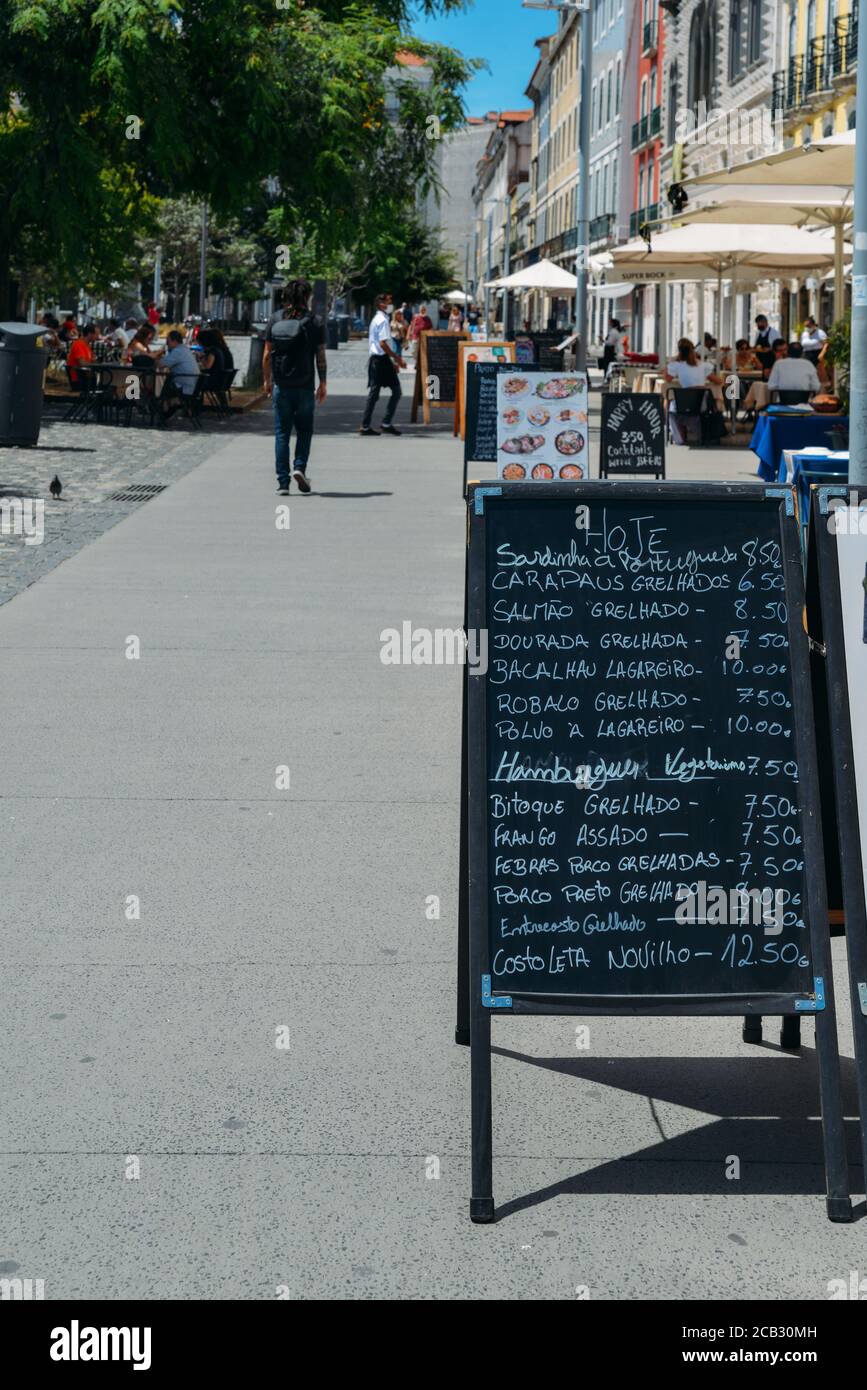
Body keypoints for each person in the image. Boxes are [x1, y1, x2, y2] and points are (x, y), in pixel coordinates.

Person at [262, 277, 327, 495]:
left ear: (285, 296)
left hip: (282, 384)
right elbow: (320, 356)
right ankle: (299, 467)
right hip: (305, 385)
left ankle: (282, 483)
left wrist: (266, 381)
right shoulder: (315, 321)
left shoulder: (275, 319)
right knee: (305, 430)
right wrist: (323, 383)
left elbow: (266, 356)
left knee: (282, 433)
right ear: (307, 297)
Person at [664, 337, 724, 444]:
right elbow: (718, 381)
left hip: (683, 404)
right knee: (686, 407)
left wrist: (667, 366)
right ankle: (698, 434)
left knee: (670, 407)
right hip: (700, 405)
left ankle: (679, 438)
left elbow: (667, 378)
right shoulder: (702, 365)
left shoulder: (677, 365)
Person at [360, 292, 404, 437]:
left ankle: (370, 425)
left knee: (376, 394)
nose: (391, 304)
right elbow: (383, 344)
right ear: (381, 304)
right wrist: (397, 358)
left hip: (379, 359)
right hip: (380, 360)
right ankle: (378, 424)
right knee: (393, 392)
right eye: (389, 301)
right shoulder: (383, 320)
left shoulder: (378, 318)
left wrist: (392, 361)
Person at [156, 329, 201, 416]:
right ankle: (165, 408)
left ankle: (163, 407)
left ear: (174, 341)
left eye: (168, 342)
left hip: (184, 388)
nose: (167, 345)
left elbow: (160, 365)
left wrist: (156, 355)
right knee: (166, 382)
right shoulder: (185, 350)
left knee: (160, 388)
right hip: (192, 386)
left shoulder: (177, 352)